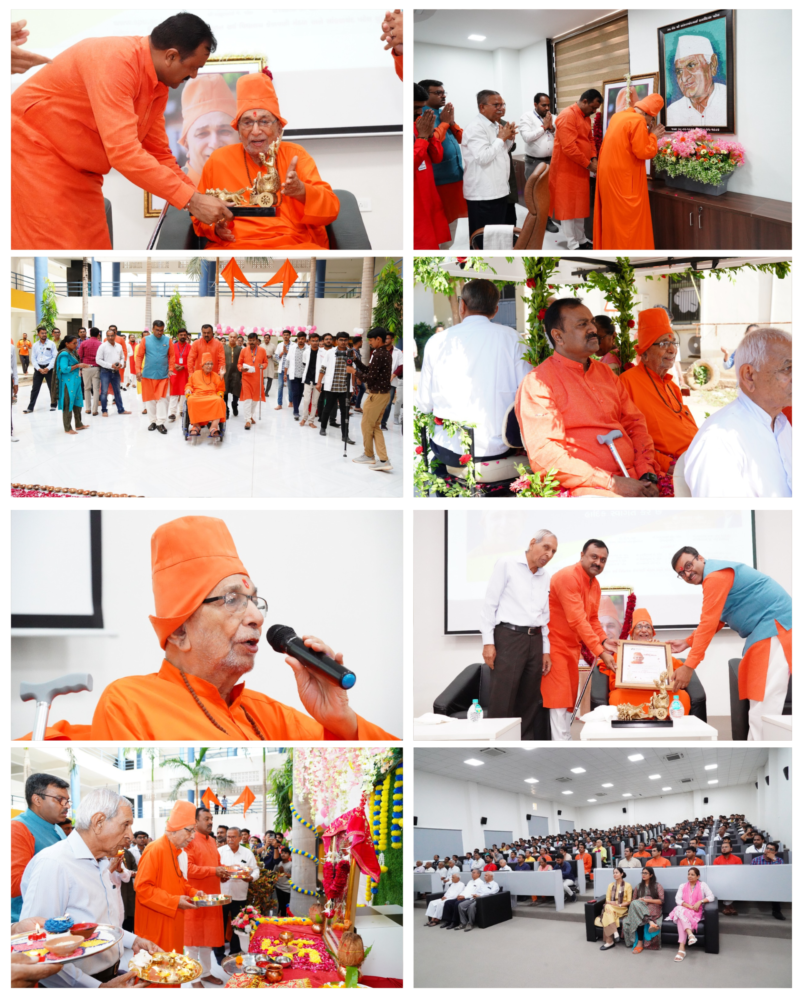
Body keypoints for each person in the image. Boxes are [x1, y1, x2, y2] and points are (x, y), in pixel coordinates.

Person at [78, 516, 396, 740]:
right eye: (232, 599)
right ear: (178, 631)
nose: (256, 617)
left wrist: (341, 720)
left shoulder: (270, 715)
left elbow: (391, 771)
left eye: (255, 601)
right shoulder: (129, 704)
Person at [11, 13, 233, 250]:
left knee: (95, 256)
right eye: (193, 67)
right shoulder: (115, 60)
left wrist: (201, 202)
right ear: (171, 56)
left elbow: (160, 156)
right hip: (33, 153)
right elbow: (124, 153)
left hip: (81, 172)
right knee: (54, 259)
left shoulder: (158, 86)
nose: (194, 76)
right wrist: (193, 201)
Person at [515, 298, 659, 496]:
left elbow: (635, 423)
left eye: (591, 322)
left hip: (634, 478)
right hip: (587, 488)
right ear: (558, 336)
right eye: (582, 324)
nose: (593, 329)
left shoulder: (606, 373)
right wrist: (611, 482)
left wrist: (646, 473)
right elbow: (546, 455)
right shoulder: (539, 383)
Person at [21, 788, 159, 986]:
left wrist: (133, 941)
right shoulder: (54, 864)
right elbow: (40, 948)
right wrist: (95, 987)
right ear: (99, 822)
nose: (130, 835)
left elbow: (99, 924)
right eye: (125, 825)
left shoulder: (105, 862)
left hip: (111, 973)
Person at [194, 69, 339, 249]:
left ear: (279, 129)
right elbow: (199, 216)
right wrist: (215, 228)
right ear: (238, 131)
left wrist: (302, 191)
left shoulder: (296, 154)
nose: (255, 131)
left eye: (264, 121)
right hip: (237, 247)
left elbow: (331, 209)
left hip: (291, 245)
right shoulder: (218, 160)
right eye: (247, 123)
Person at [669, 546, 792, 739]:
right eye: (681, 573)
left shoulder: (715, 576)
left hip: (775, 627)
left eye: (688, 565)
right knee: (760, 701)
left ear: (700, 558)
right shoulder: (715, 576)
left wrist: (689, 666)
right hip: (767, 631)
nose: (687, 573)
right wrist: (687, 642)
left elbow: (708, 622)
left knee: (765, 704)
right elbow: (717, 619)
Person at [417, 278, 530, 470]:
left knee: (436, 455)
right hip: (499, 446)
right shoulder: (512, 338)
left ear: (462, 305)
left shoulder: (437, 341)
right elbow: (528, 392)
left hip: (450, 449)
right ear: (496, 310)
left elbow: (424, 404)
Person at [684, 327, 792, 497]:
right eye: (788, 368)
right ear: (749, 376)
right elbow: (727, 520)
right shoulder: (718, 441)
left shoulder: (782, 424)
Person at [480, 530, 557, 740]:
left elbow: (545, 616)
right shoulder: (507, 564)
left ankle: (521, 742)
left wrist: (545, 650)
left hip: (535, 640)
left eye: (553, 552)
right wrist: (488, 642)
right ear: (533, 543)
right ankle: (495, 741)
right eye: (546, 548)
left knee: (529, 700)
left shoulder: (545, 576)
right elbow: (489, 604)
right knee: (503, 697)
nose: (549, 555)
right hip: (508, 637)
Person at [545, 540, 618, 740]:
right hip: (554, 647)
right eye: (594, 557)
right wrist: (601, 653)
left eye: (603, 560)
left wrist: (603, 640)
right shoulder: (568, 577)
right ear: (582, 555)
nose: (598, 563)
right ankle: (560, 745)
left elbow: (592, 619)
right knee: (558, 701)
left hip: (572, 649)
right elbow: (577, 620)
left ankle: (564, 740)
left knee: (569, 700)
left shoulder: (594, 584)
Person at [618, 308, 698, 474]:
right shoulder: (627, 382)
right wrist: (666, 464)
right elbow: (626, 438)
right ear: (645, 353)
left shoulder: (672, 386)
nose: (672, 349)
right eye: (663, 344)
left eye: (673, 342)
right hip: (670, 468)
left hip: (696, 456)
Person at [136, 800, 209, 954]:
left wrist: (194, 893)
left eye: (194, 831)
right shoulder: (155, 850)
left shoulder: (175, 851)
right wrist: (175, 901)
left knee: (172, 969)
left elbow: (179, 881)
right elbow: (142, 889)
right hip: (156, 925)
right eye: (189, 830)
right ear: (174, 829)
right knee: (156, 973)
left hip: (172, 921)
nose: (193, 836)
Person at [594, 95, 665, 249]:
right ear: (648, 114)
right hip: (623, 178)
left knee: (612, 217)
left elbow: (628, 143)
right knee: (627, 220)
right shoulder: (638, 120)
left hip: (607, 176)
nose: (650, 124)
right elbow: (644, 152)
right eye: (651, 120)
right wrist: (653, 136)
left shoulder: (618, 116)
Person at [602, 607, 691, 716]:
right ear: (632, 634)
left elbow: (678, 676)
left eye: (647, 627)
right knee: (616, 697)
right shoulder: (622, 653)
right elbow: (613, 683)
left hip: (659, 694)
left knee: (683, 697)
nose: (643, 630)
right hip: (631, 692)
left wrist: (658, 652)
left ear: (652, 634)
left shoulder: (662, 652)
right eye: (639, 626)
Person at [11, 774, 69, 922]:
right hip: (28, 924)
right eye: (59, 799)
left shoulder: (58, 829)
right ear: (37, 800)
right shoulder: (17, 828)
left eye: (67, 800)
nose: (66, 805)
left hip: (56, 918)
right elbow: (14, 884)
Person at [548, 89, 602, 249]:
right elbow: (569, 148)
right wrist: (589, 164)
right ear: (584, 101)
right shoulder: (567, 116)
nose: (594, 112)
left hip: (581, 168)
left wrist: (594, 158)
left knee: (580, 206)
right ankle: (572, 244)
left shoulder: (585, 118)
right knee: (568, 208)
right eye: (593, 108)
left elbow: (590, 139)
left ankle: (582, 239)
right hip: (565, 170)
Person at [461, 90, 517, 238]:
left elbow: (502, 152)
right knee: (483, 239)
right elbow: (483, 157)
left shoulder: (495, 125)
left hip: (499, 190)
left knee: (498, 236)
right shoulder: (475, 127)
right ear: (482, 107)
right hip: (483, 193)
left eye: (503, 104)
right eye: (496, 104)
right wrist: (501, 139)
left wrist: (509, 139)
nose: (501, 108)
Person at [184, 807, 229, 988]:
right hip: (196, 898)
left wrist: (223, 872)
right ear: (195, 822)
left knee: (207, 940)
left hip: (212, 899)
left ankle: (206, 973)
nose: (210, 822)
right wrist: (214, 871)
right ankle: (194, 978)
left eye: (211, 818)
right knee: (193, 942)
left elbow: (216, 864)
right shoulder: (189, 840)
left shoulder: (211, 840)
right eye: (206, 819)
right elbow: (188, 869)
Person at [418, 79, 467, 244]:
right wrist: (445, 123)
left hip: (454, 178)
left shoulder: (442, 114)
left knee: (452, 225)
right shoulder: (423, 115)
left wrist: (450, 122)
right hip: (438, 182)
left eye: (443, 92)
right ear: (425, 95)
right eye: (438, 93)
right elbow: (432, 141)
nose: (443, 96)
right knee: (441, 229)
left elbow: (462, 138)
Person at [178, 73, 238, 185]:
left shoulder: (255, 188)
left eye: (224, 131)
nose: (214, 144)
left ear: (240, 138)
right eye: (202, 133)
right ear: (186, 144)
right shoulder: (173, 191)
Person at [413, 86, 451, 250]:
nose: (419, 113)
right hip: (415, 199)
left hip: (428, 194)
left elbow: (436, 157)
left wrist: (429, 136)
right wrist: (422, 138)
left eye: (421, 108)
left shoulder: (418, 124)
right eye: (415, 108)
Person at [351, 328, 393, 471]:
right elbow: (369, 370)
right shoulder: (383, 353)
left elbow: (369, 377)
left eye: (371, 340)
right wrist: (356, 361)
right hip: (383, 394)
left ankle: (369, 455)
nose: (369, 342)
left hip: (377, 395)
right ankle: (383, 459)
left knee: (366, 425)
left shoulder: (379, 355)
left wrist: (353, 372)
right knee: (375, 426)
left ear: (378, 339)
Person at [667, 35, 728, 128]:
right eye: (679, 71)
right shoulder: (672, 112)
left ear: (712, 64)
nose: (684, 78)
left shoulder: (729, 99)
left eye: (691, 65)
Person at [518, 93, 559, 230]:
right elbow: (527, 137)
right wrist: (544, 127)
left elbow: (559, 135)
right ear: (535, 104)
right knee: (534, 192)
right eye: (543, 105)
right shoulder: (527, 117)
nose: (547, 108)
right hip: (534, 162)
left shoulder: (554, 117)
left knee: (548, 192)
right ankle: (535, 221)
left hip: (551, 161)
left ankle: (546, 220)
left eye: (548, 105)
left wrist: (552, 128)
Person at [217, 826, 259, 958]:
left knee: (238, 924)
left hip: (240, 895)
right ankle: (219, 953)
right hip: (222, 895)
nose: (230, 839)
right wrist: (219, 876)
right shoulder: (219, 851)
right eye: (228, 836)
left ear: (240, 838)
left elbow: (256, 870)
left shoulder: (247, 853)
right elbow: (213, 869)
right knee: (219, 925)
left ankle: (235, 952)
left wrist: (251, 877)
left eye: (233, 837)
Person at [666, 866, 715, 962]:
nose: (690, 876)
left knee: (679, 914)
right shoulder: (682, 886)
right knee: (679, 908)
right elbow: (678, 900)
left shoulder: (702, 885)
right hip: (684, 910)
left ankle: (681, 949)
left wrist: (700, 901)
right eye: (688, 874)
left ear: (698, 876)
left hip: (695, 912)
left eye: (692, 874)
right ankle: (689, 935)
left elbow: (711, 897)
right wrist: (688, 906)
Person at [136, 321, 176, 434]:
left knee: (163, 399)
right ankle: (153, 421)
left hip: (163, 375)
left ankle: (160, 422)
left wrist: (171, 369)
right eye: (157, 330)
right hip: (148, 375)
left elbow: (172, 356)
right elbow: (139, 356)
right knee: (150, 400)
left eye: (161, 330)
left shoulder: (168, 340)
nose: (159, 332)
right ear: (152, 329)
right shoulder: (146, 340)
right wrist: (138, 370)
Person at [317, 332, 355, 443]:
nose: (343, 342)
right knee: (327, 408)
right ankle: (323, 427)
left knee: (345, 411)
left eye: (345, 340)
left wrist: (352, 387)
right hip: (332, 387)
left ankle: (345, 435)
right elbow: (323, 368)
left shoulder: (350, 353)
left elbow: (353, 371)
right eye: (341, 340)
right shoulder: (330, 353)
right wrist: (319, 382)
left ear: (348, 341)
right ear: (336, 341)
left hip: (345, 388)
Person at [623, 866, 664, 954]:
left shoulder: (657, 885)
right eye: (642, 873)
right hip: (640, 908)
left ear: (651, 875)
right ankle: (650, 922)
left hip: (654, 907)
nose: (643, 875)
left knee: (637, 914)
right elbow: (633, 901)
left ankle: (640, 943)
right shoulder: (638, 886)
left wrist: (646, 900)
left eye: (646, 873)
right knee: (635, 906)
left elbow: (661, 901)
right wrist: (640, 901)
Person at [56, 335, 90, 435]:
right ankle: (67, 428)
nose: (76, 345)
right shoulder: (64, 354)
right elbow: (64, 369)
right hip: (68, 383)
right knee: (68, 404)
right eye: (74, 343)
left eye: (76, 343)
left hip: (76, 382)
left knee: (77, 402)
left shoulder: (73, 352)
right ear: (67, 343)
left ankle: (79, 424)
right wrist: (78, 365)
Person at [185, 354, 226, 437]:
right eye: (207, 364)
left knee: (219, 400)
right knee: (191, 400)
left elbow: (220, 388)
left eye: (211, 364)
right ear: (202, 365)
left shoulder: (215, 375)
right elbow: (189, 384)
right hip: (198, 395)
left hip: (212, 395)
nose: (210, 366)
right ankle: (196, 426)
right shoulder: (196, 374)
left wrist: (221, 376)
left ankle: (213, 427)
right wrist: (188, 389)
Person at [96, 329, 131, 417]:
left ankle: (121, 409)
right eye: (108, 336)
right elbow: (98, 360)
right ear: (106, 336)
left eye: (112, 335)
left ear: (115, 336)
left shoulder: (119, 346)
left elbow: (122, 357)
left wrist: (121, 364)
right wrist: (110, 365)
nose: (110, 337)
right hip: (105, 372)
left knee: (117, 391)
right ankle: (104, 410)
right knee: (104, 392)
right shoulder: (102, 346)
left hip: (116, 372)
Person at [238, 331, 268, 429]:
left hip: (257, 379)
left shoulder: (262, 350)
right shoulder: (243, 351)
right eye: (250, 340)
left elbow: (266, 363)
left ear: (257, 341)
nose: (251, 342)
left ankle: (250, 416)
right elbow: (239, 364)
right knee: (248, 400)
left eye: (253, 340)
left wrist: (262, 366)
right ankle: (247, 420)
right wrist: (241, 368)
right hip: (246, 378)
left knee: (255, 400)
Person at [23, 327, 57, 413]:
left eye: (45, 333)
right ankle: (30, 407)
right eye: (42, 333)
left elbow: (54, 357)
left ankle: (53, 405)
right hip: (38, 369)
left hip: (48, 369)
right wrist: (38, 368)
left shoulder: (51, 344)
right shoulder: (35, 345)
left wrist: (48, 368)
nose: (44, 335)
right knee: (35, 388)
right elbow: (33, 358)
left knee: (51, 387)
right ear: (38, 334)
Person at [751, 843, 786, 920]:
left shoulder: (779, 860)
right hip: (760, 882)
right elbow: (752, 875)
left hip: (774, 883)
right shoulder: (755, 860)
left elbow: (781, 875)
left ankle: (777, 911)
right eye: (767, 848)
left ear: (775, 852)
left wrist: (774, 860)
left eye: (771, 849)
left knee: (777, 886)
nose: (768, 850)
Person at [598, 867, 631, 949]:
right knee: (608, 908)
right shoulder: (611, 885)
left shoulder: (627, 885)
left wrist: (618, 905)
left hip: (622, 908)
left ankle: (609, 942)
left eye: (616, 873)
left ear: (622, 874)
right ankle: (615, 933)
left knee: (607, 911)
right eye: (614, 873)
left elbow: (629, 901)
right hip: (611, 907)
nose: (614, 874)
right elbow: (607, 900)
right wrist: (611, 903)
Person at [77, 327, 102, 417]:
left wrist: (80, 368)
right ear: (98, 334)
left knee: (86, 388)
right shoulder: (100, 344)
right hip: (96, 368)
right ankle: (95, 410)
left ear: (89, 333)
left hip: (86, 367)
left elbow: (79, 356)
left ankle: (88, 408)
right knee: (95, 389)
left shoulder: (84, 343)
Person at [169, 328, 192, 422]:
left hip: (185, 373)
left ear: (187, 336)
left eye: (184, 335)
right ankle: (172, 413)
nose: (183, 336)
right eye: (181, 335)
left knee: (184, 393)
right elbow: (168, 358)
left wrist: (184, 366)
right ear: (178, 335)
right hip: (174, 372)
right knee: (173, 393)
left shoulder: (190, 347)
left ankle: (182, 410)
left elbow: (192, 361)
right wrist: (173, 365)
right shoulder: (172, 346)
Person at [299, 332, 322, 427]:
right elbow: (305, 364)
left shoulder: (322, 353)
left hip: (318, 380)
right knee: (306, 400)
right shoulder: (306, 352)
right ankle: (304, 418)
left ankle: (311, 421)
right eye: (313, 341)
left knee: (315, 401)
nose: (315, 342)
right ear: (309, 341)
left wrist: (320, 381)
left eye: (317, 341)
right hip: (308, 379)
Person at [286, 330, 309, 419]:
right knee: (295, 392)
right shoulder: (292, 348)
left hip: (304, 375)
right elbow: (287, 361)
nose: (300, 340)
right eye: (299, 338)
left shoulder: (308, 349)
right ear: (297, 339)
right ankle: (296, 411)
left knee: (300, 393)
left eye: (302, 339)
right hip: (294, 374)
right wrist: (285, 374)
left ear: (305, 339)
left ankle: (296, 407)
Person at [223, 333, 242, 418]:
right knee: (225, 392)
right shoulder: (223, 348)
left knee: (236, 391)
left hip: (237, 373)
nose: (232, 339)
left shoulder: (240, 349)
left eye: (234, 337)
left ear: (237, 338)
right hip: (226, 373)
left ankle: (234, 405)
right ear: (228, 338)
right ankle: (226, 409)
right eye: (231, 337)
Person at [274, 329, 293, 411]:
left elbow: (294, 358)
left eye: (287, 335)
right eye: (284, 335)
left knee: (290, 387)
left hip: (290, 370)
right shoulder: (279, 345)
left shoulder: (294, 345)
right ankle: (279, 404)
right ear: (282, 336)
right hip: (281, 370)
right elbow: (277, 357)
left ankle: (291, 402)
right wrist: (282, 352)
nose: (285, 336)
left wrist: (287, 352)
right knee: (280, 386)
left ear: (290, 336)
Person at [274, 845, 293, 916]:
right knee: (280, 906)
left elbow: (293, 877)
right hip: (278, 887)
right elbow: (274, 874)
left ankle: (285, 920)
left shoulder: (291, 864)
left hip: (287, 888)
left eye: (285, 853)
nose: (283, 854)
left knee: (286, 906)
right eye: (282, 853)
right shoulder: (278, 863)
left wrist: (283, 873)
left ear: (289, 855)